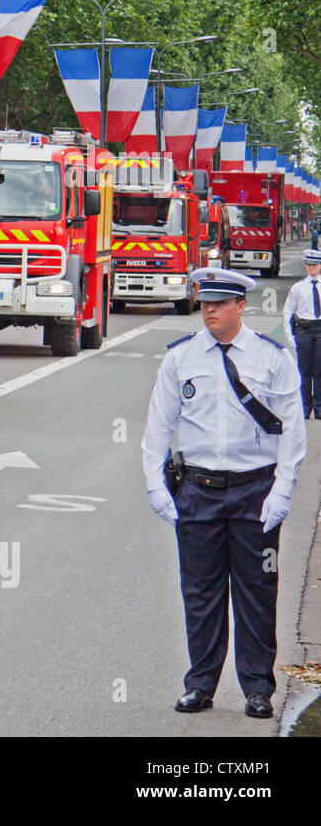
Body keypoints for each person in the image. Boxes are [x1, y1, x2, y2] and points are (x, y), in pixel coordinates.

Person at [142, 267, 307, 719]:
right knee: (200, 592)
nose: (209, 310)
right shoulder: (180, 357)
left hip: (256, 490)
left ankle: (257, 688)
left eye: (219, 303)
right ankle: (200, 684)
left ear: (240, 305)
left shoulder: (272, 357)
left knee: (257, 590)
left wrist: (282, 491)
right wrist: (156, 484)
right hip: (198, 491)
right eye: (204, 303)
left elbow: (293, 431)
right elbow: (159, 426)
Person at [283, 249, 321, 418]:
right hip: (304, 329)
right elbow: (288, 312)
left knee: (319, 369)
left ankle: (319, 406)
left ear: (320, 266)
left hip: (320, 329)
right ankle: (305, 406)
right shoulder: (298, 287)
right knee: (304, 370)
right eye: (308, 265)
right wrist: (290, 336)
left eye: (314, 265)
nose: (311, 267)